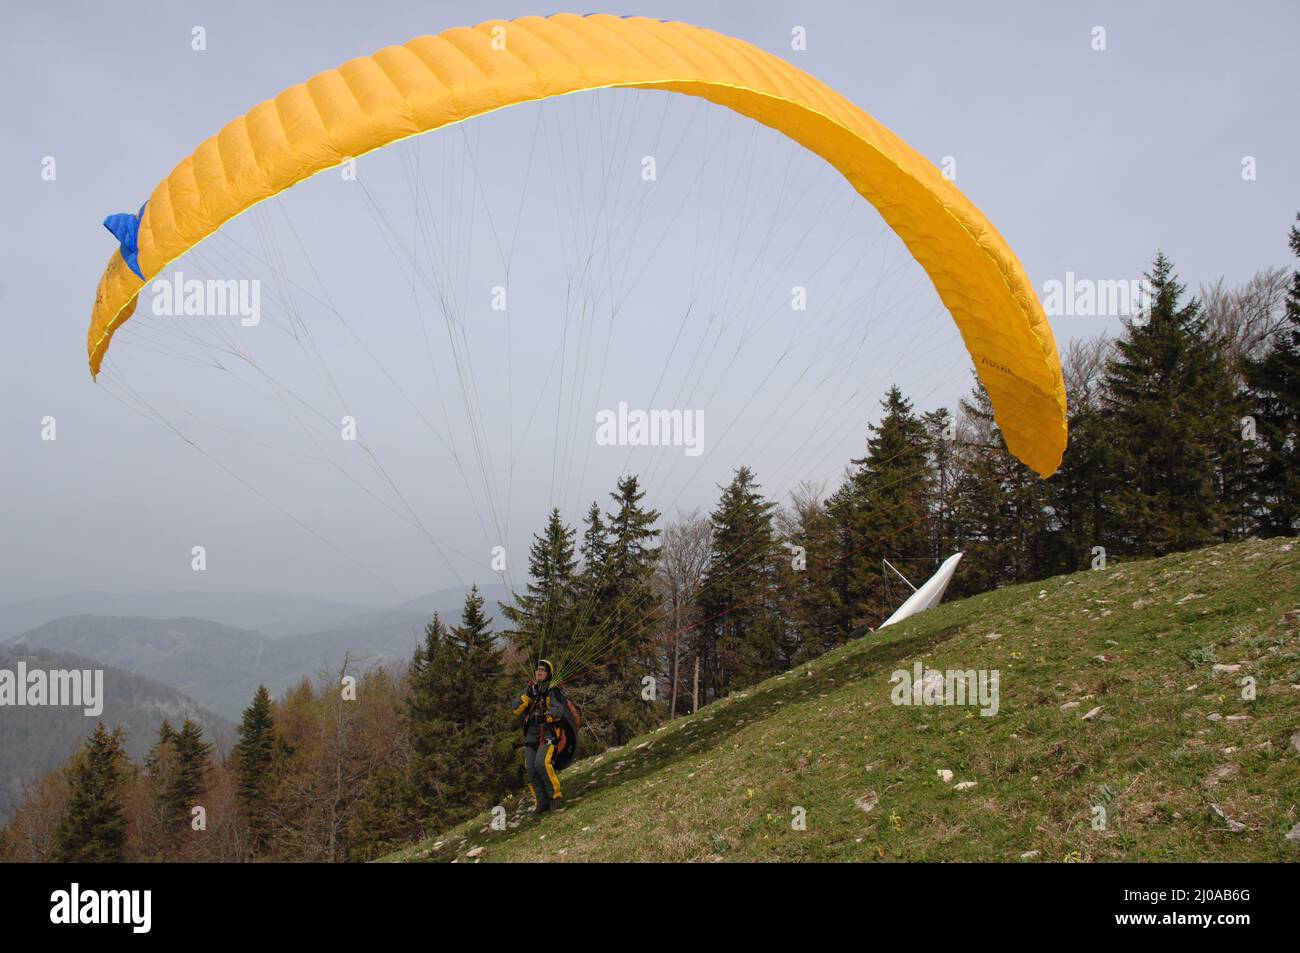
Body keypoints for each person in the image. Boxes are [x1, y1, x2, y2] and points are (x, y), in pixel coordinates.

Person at [512, 659, 567, 813]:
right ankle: (541, 802)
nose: (539, 672)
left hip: (547, 734)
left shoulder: (552, 690)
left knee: (541, 764)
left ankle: (555, 798)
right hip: (531, 737)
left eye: (543, 669)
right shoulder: (530, 690)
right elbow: (515, 709)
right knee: (530, 768)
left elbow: (558, 710)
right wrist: (526, 695)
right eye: (538, 669)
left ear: (548, 673)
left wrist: (545, 716)